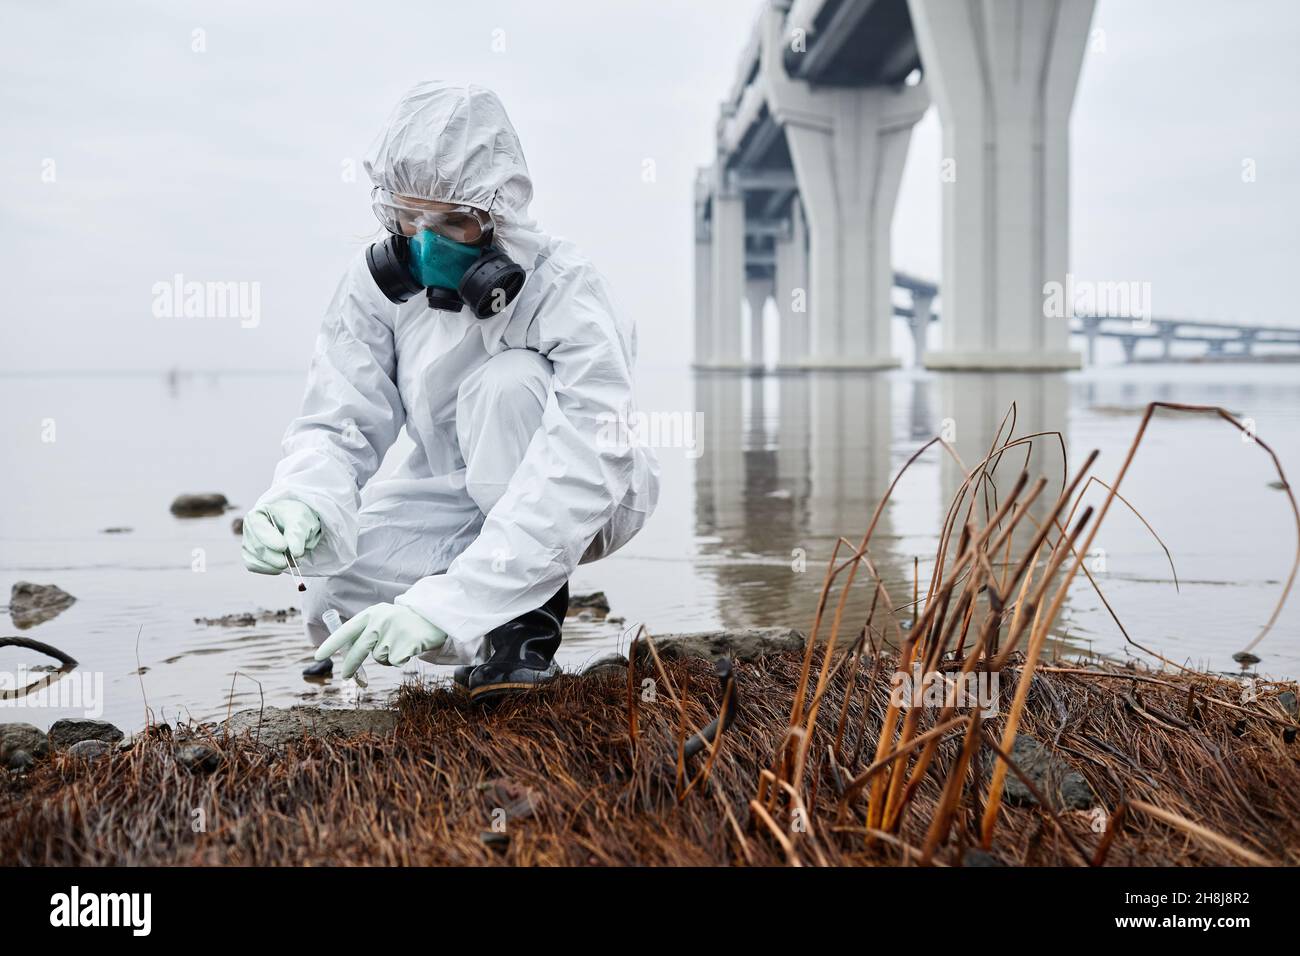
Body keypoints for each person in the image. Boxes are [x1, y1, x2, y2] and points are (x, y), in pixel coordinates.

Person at [240, 81, 659, 702]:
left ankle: (523, 630)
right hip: (458, 493)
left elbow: (586, 457)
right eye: (410, 218)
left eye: (454, 222)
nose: (427, 241)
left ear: (498, 214)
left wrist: (446, 605)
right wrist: (301, 497)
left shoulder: (563, 287)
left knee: (507, 383)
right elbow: (340, 420)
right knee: (331, 590)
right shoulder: (375, 288)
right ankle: (483, 612)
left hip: (586, 495)